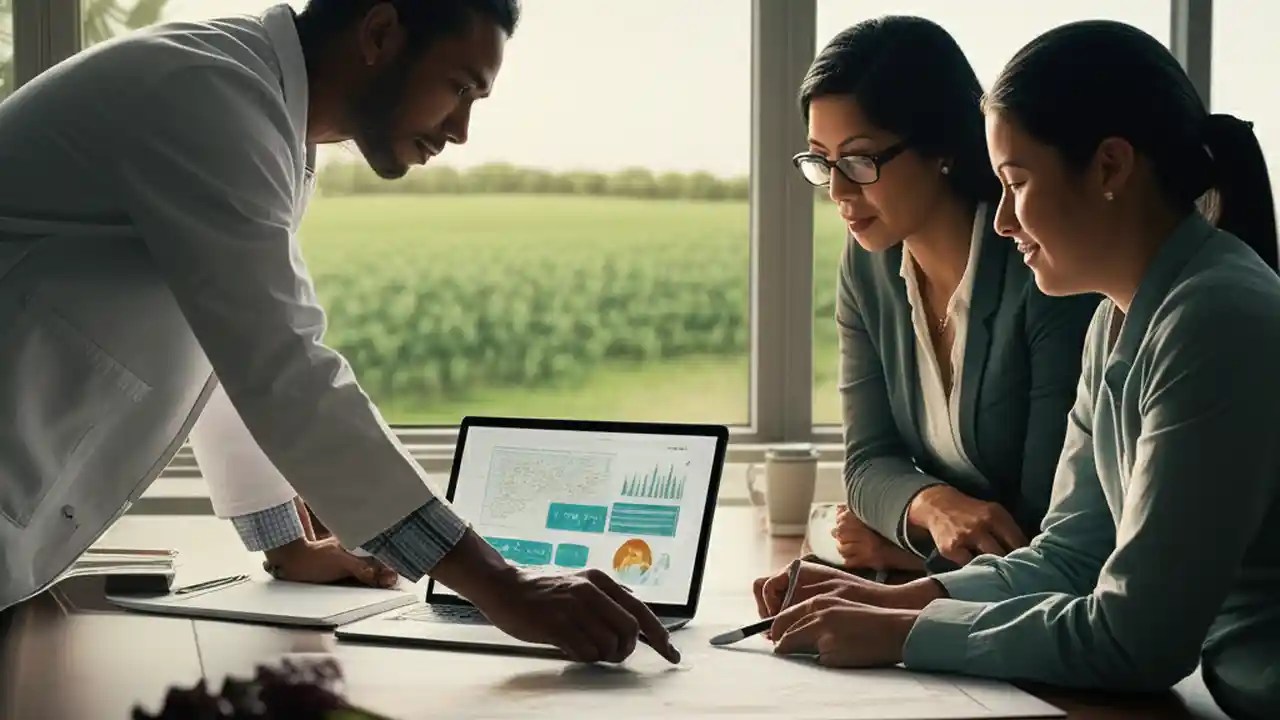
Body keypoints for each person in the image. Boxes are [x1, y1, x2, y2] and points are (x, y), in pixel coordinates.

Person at [0, 0, 679, 666]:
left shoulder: (258, 113)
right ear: (380, 31)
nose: (463, 129)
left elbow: (227, 337)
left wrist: (284, 540)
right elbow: (282, 367)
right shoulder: (207, 97)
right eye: (460, 87)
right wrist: (503, 586)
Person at [755, 19, 1280, 720]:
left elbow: (1139, 640)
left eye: (1016, 183)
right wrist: (896, 599)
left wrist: (908, 632)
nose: (1002, 219)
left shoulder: (1215, 319)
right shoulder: (1117, 318)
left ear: (1110, 167)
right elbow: (1067, 556)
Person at [795, 17, 1097, 576]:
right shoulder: (868, 265)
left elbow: (1044, 522)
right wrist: (931, 505)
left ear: (940, 148)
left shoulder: (1042, 270)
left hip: (1046, 599)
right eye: (821, 160)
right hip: (974, 590)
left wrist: (902, 551)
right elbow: (866, 465)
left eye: (860, 160)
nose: (837, 191)